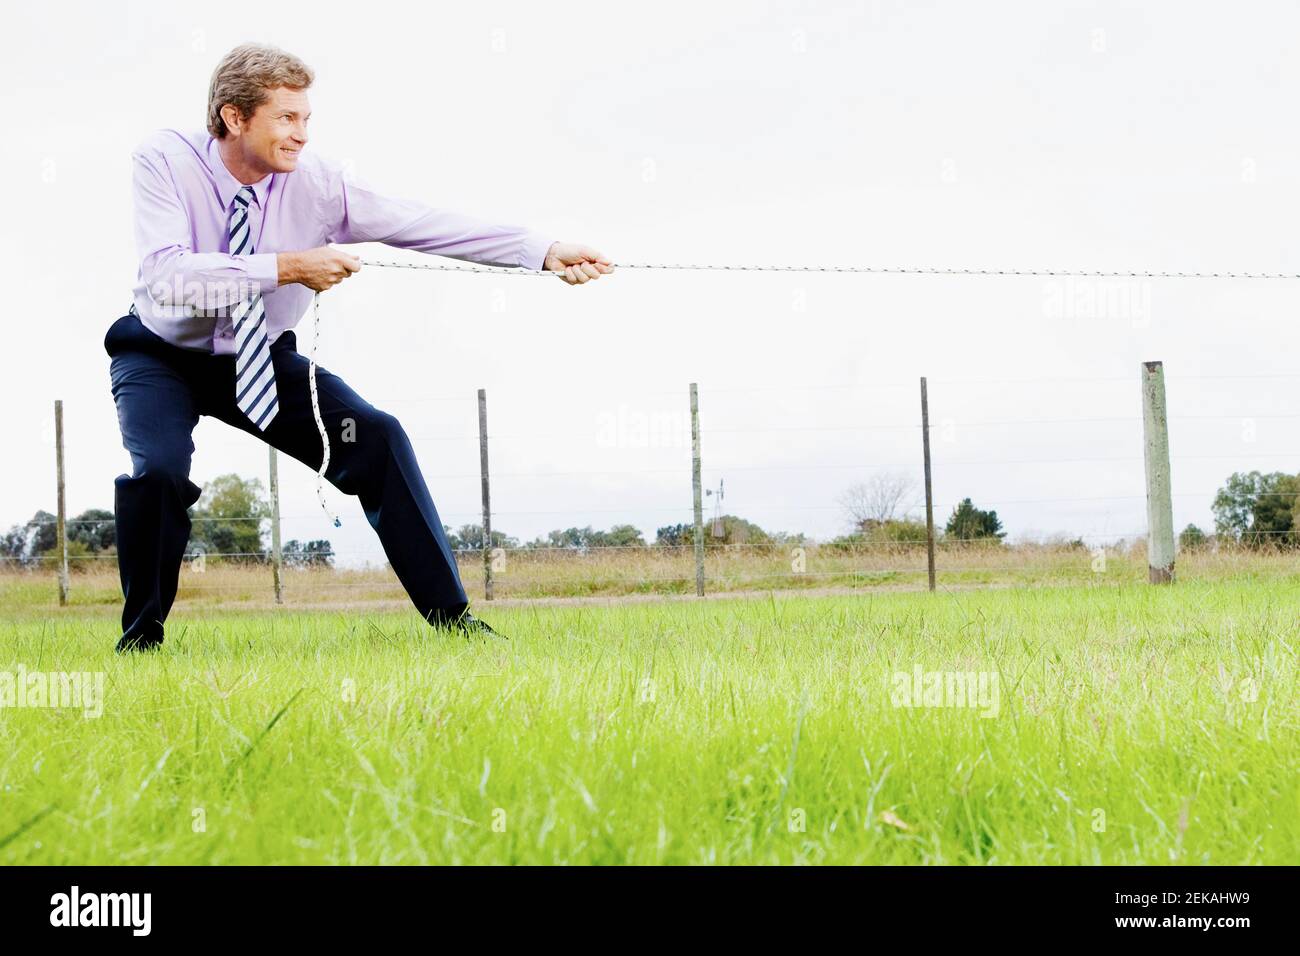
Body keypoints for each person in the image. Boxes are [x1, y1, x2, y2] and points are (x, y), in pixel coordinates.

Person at [108, 42, 613, 652]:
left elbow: (423, 223)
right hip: (161, 354)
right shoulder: (163, 160)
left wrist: (540, 251)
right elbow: (169, 276)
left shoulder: (319, 184)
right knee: (158, 472)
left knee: (376, 437)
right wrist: (290, 267)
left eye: (306, 119)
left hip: (261, 354)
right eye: (286, 118)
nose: (300, 135)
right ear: (235, 117)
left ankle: (454, 624)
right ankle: (141, 642)